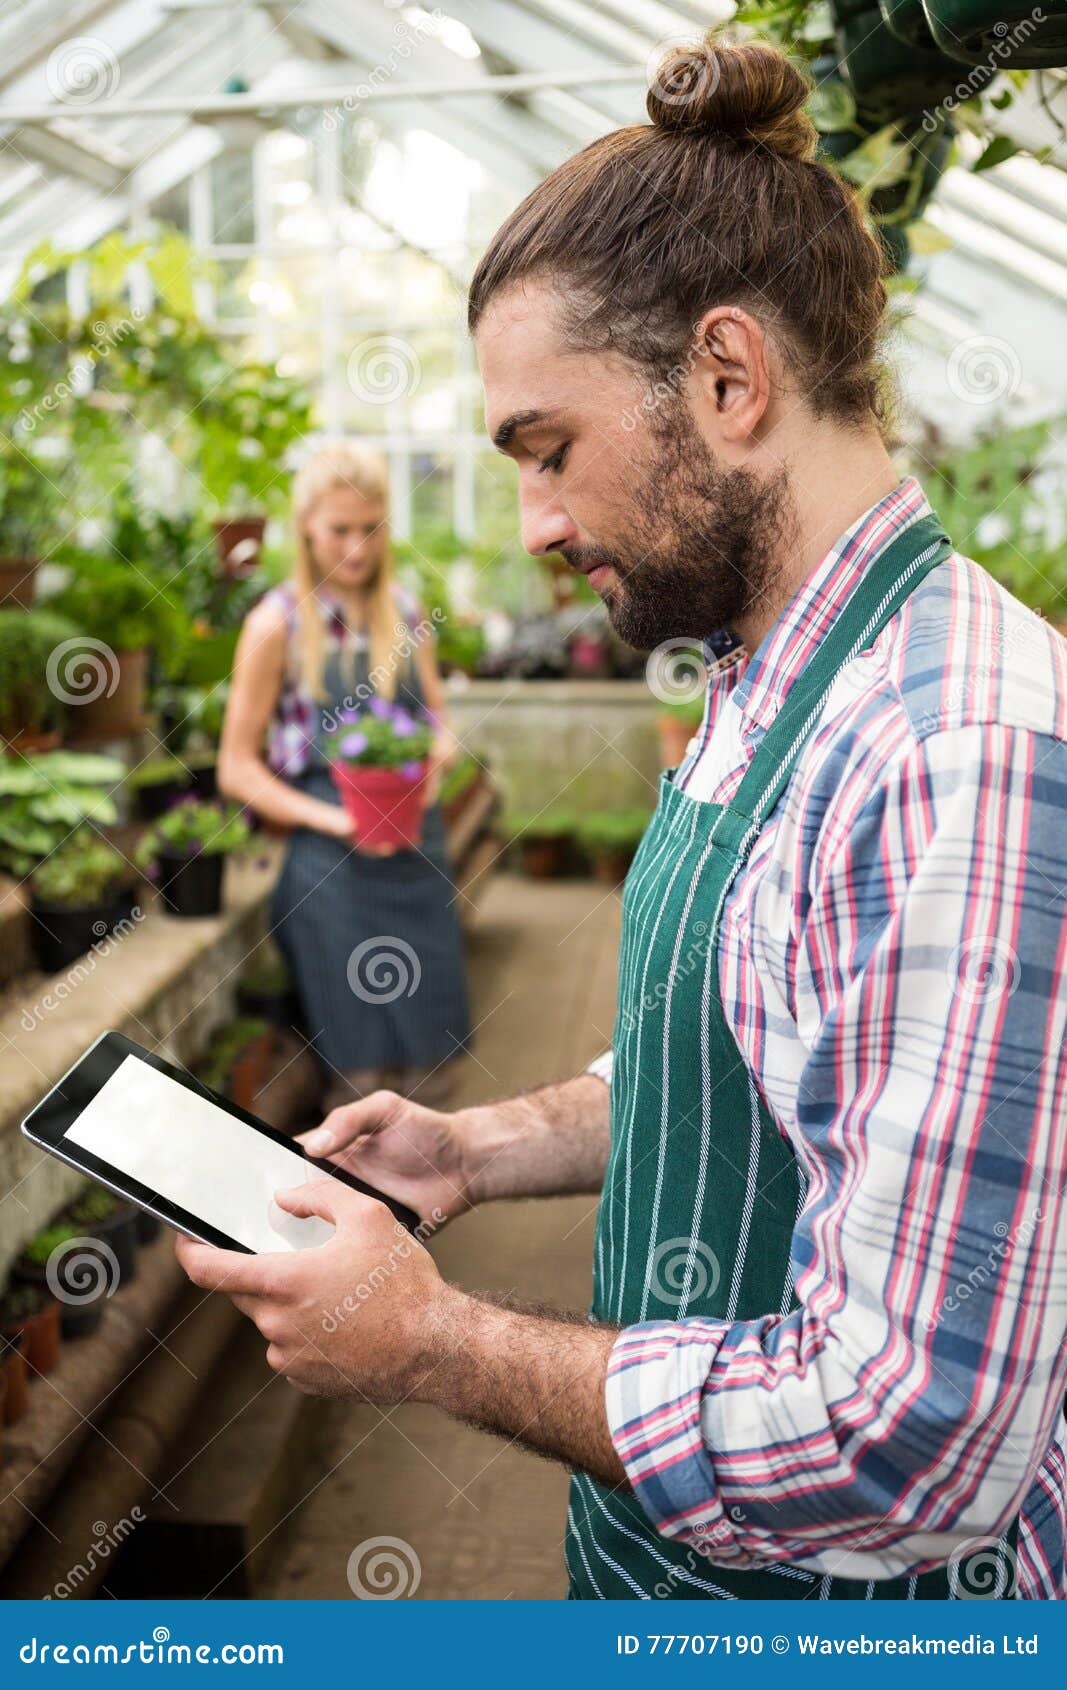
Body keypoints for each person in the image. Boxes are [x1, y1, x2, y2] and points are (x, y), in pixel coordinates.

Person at [179, 38, 1067, 1599]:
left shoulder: (954, 753)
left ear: (727, 381)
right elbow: (744, 1044)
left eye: (546, 450)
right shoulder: (762, 670)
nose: (529, 523)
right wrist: (476, 1145)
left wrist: (433, 1338)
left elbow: (904, 1441)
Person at [217, 440, 471, 1111]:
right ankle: (362, 1210)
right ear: (305, 526)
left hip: (417, 849)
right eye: (339, 531)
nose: (356, 549)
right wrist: (341, 818)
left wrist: (438, 753)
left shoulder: (406, 613)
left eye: (369, 529)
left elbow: (438, 720)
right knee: (358, 1075)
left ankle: (429, 1203)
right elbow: (235, 767)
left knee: (433, 1064)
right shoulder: (275, 625)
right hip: (330, 861)